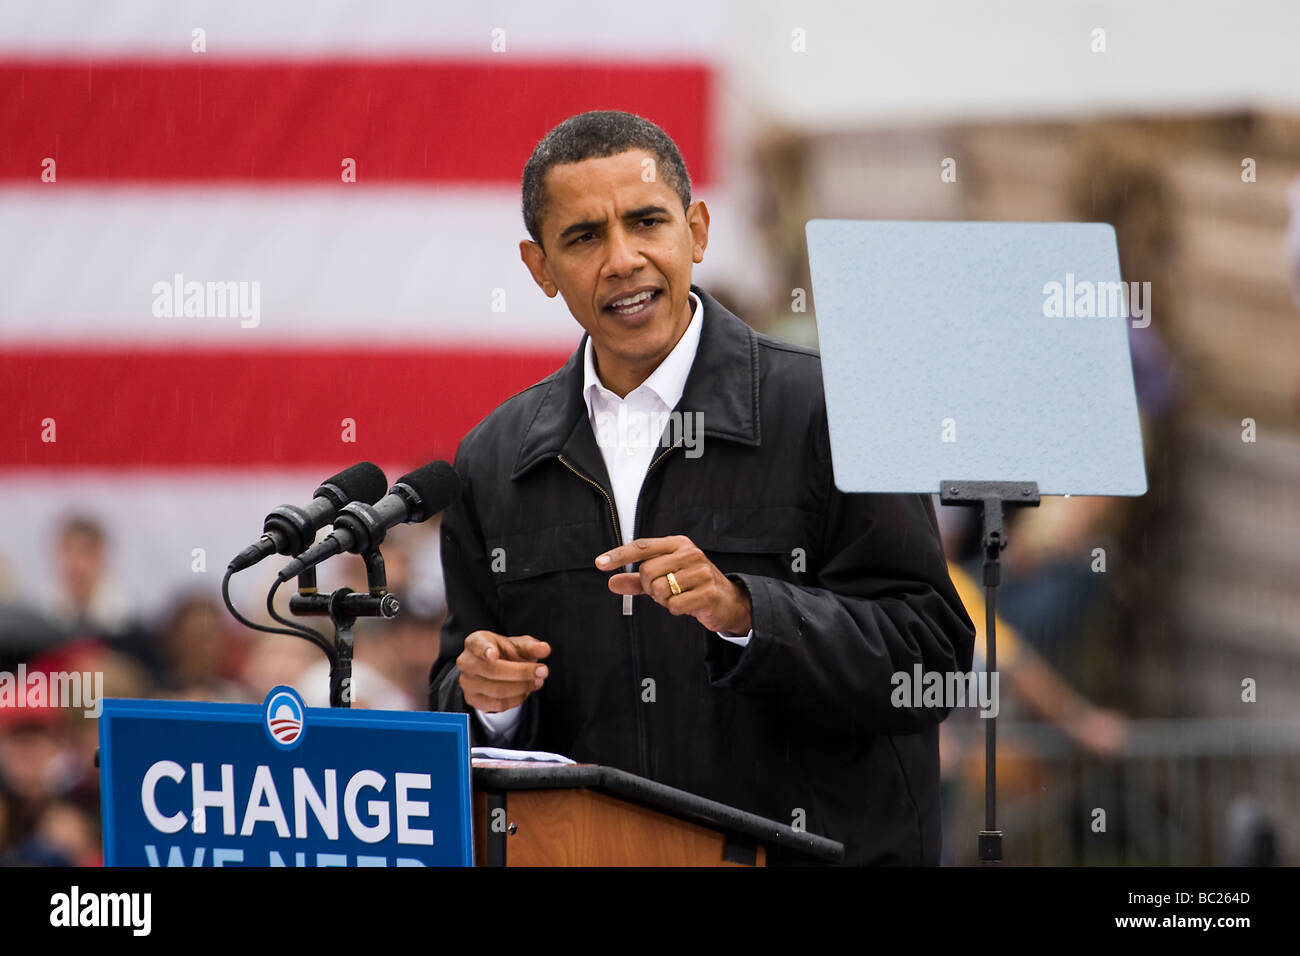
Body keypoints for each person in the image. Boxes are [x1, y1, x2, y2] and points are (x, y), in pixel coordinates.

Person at [429, 110, 976, 865]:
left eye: (647, 221)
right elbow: (461, 693)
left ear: (698, 231)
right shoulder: (491, 461)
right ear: (540, 267)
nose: (623, 259)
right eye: (584, 236)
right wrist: (491, 704)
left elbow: (932, 660)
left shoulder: (835, 409)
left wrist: (747, 612)